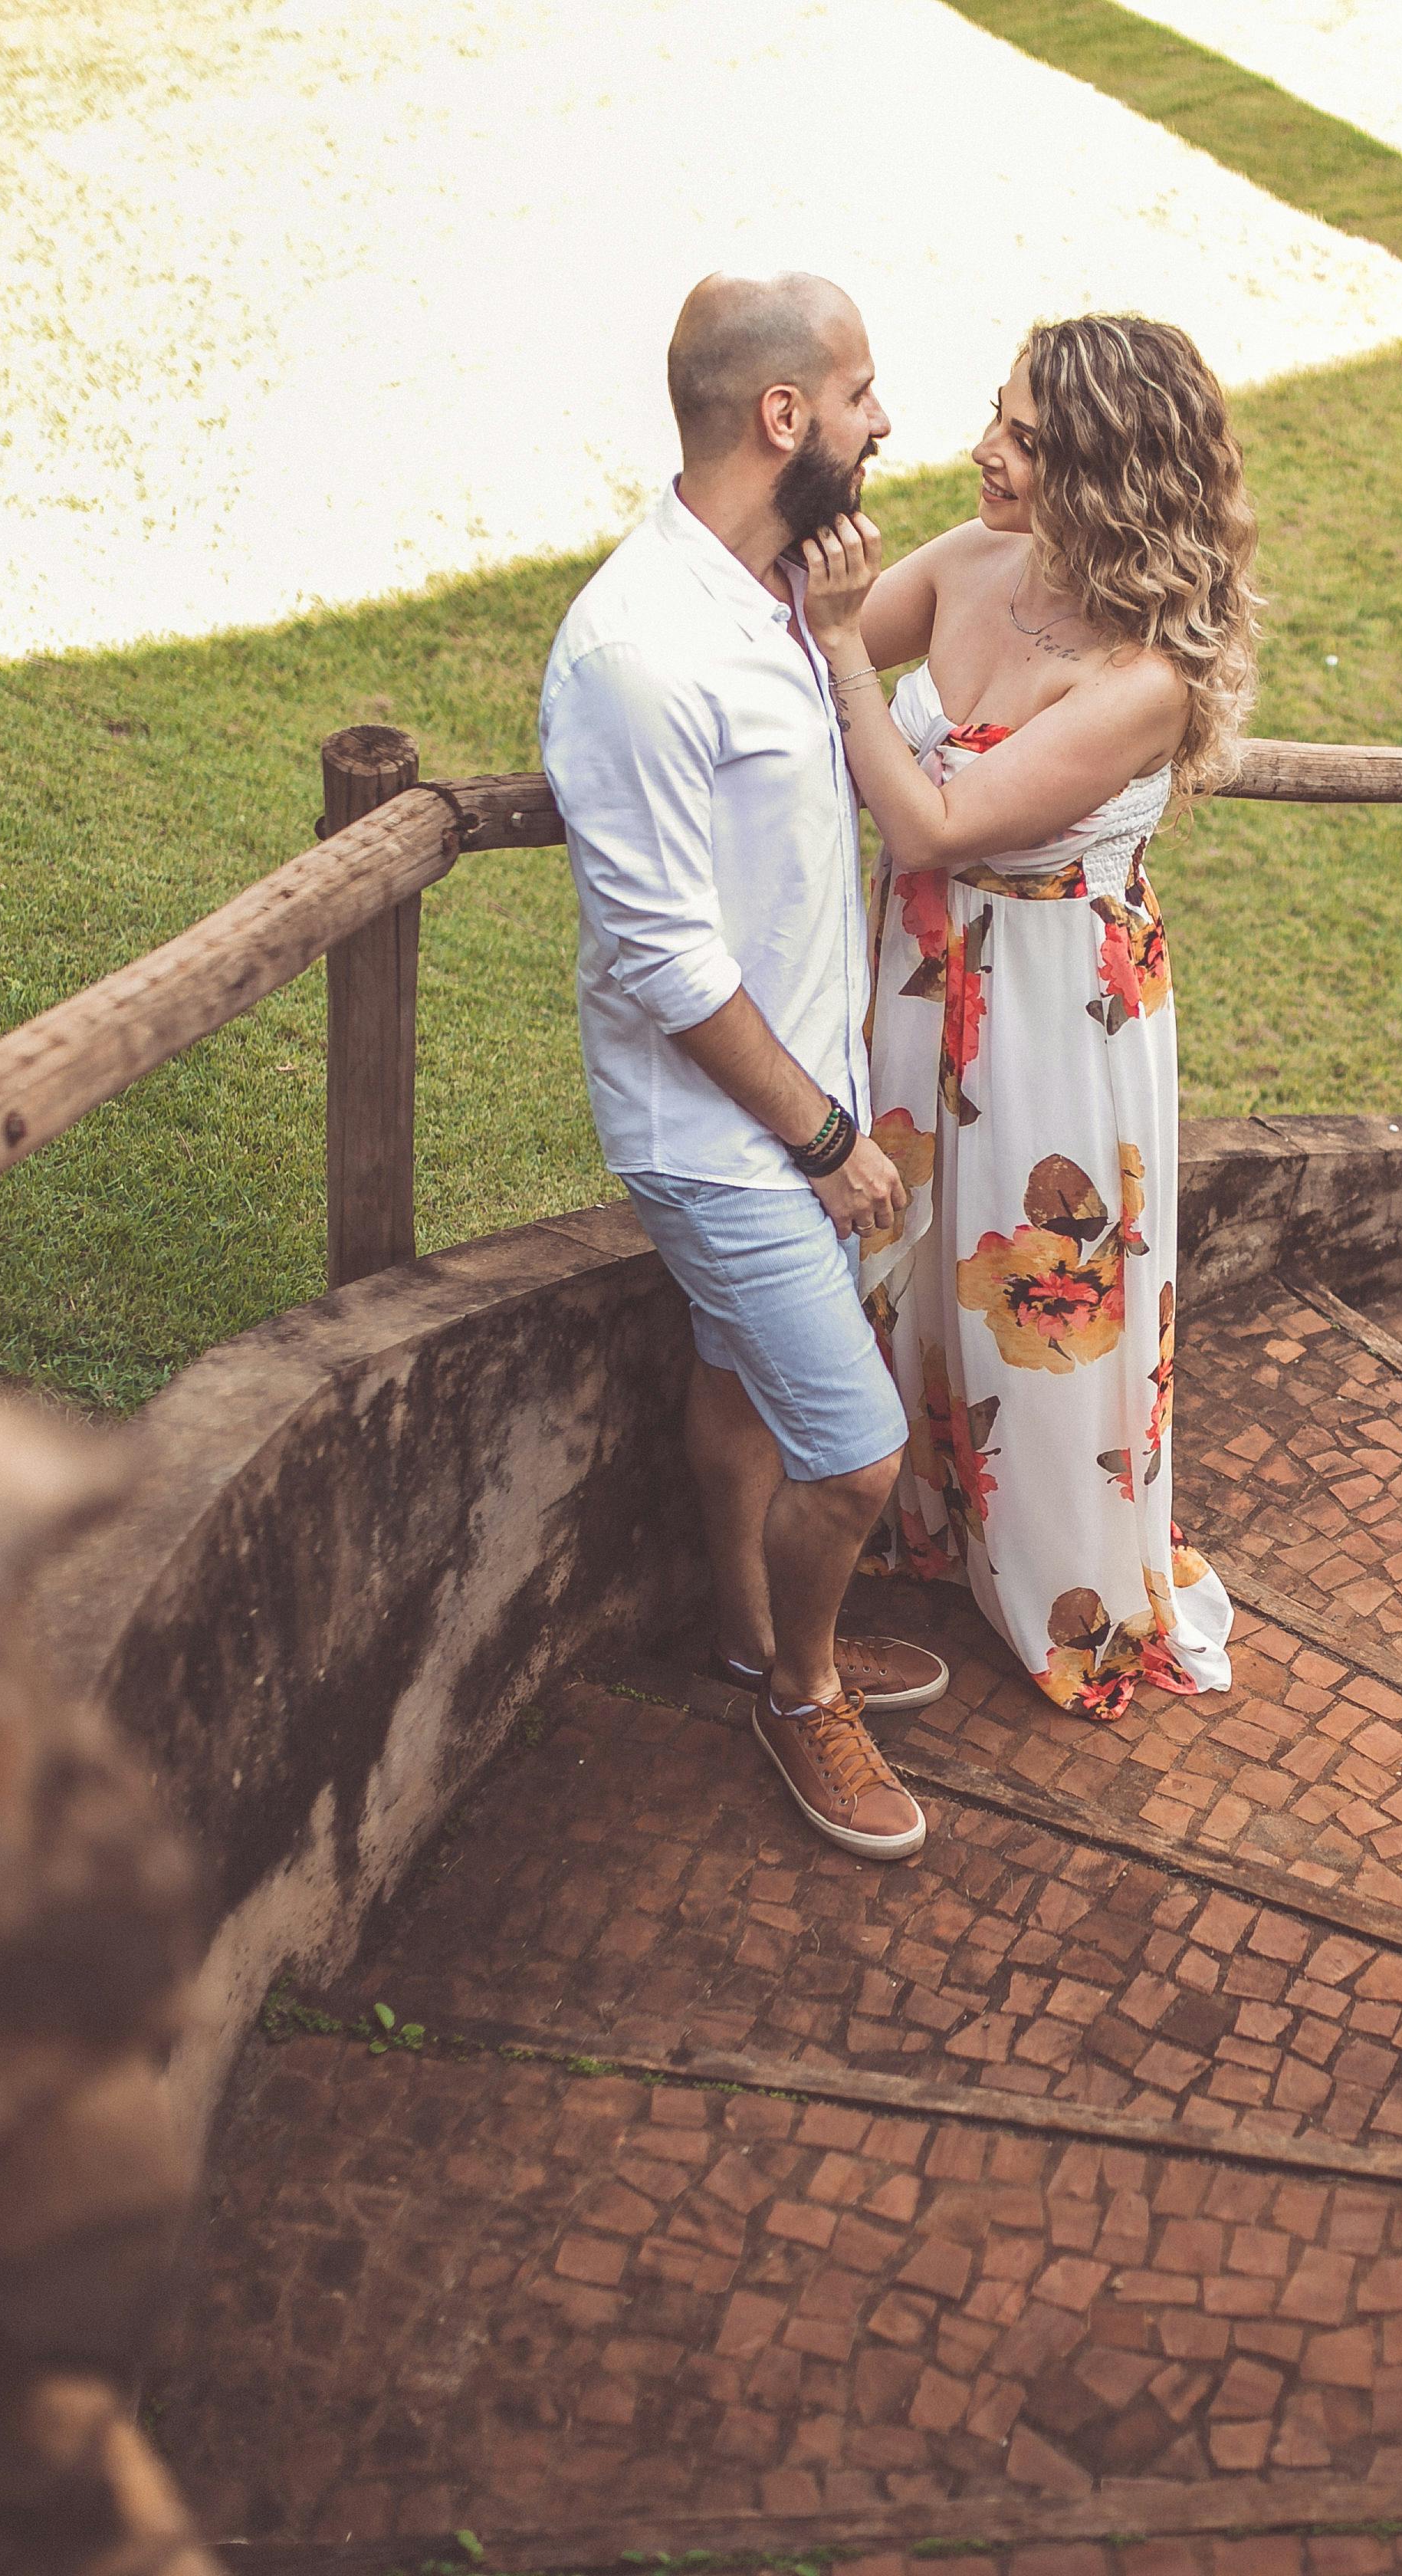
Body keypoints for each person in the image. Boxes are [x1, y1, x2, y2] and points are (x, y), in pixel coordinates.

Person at [540, 271, 956, 1861]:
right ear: (782, 418)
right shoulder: (639, 650)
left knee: (740, 1393)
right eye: (860, 394)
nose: (883, 420)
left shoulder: (778, 590)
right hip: (725, 1137)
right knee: (853, 1457)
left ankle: (744, 1632)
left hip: (780, 1108)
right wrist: (826, 1137)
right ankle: (802, 1690)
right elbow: (662, 960)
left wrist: (840, 628)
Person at [791, 313, 1255, 1720]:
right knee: (917, 1270)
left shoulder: (1141, 682)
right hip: (922, 986)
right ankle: (929, 1519)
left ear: (1111, 475)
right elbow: (785, 655)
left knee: (1037, 1288)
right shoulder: (981, 559)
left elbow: (930, 819)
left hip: (1057, 1015)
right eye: (996, 416)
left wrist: (837, 645)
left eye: (1028, 443)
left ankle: (1057, 1564)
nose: (984, 452)